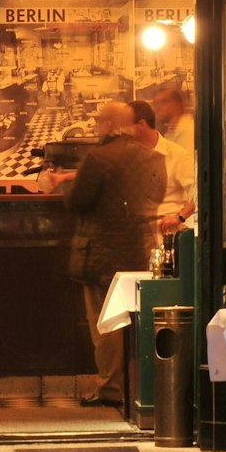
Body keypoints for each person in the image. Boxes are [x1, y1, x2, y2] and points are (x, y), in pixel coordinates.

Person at [46, 101, 164, 409]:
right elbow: (156, 197)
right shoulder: (153, 158)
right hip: (140, 251)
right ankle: (140, 387)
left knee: (107, 323)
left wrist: (62, 188)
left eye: (99, 121)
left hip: (100, 254)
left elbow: (78, 201)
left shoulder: (98, 158)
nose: (96, 126)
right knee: (137, 321)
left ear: (110, 125)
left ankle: (110, 387)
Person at [131, 99, 196, 233]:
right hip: (134, 237)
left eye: (126, 125)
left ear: (141, 124)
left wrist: (179, 217)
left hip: (164, 235)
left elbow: (198, 194)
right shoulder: (128, 156)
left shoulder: (177, 155)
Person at [152, 85, 195, 153]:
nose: (158, 107)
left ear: (178, 105)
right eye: (155, 103)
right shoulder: (170, 132)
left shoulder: (189, 131)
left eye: (164, 102)